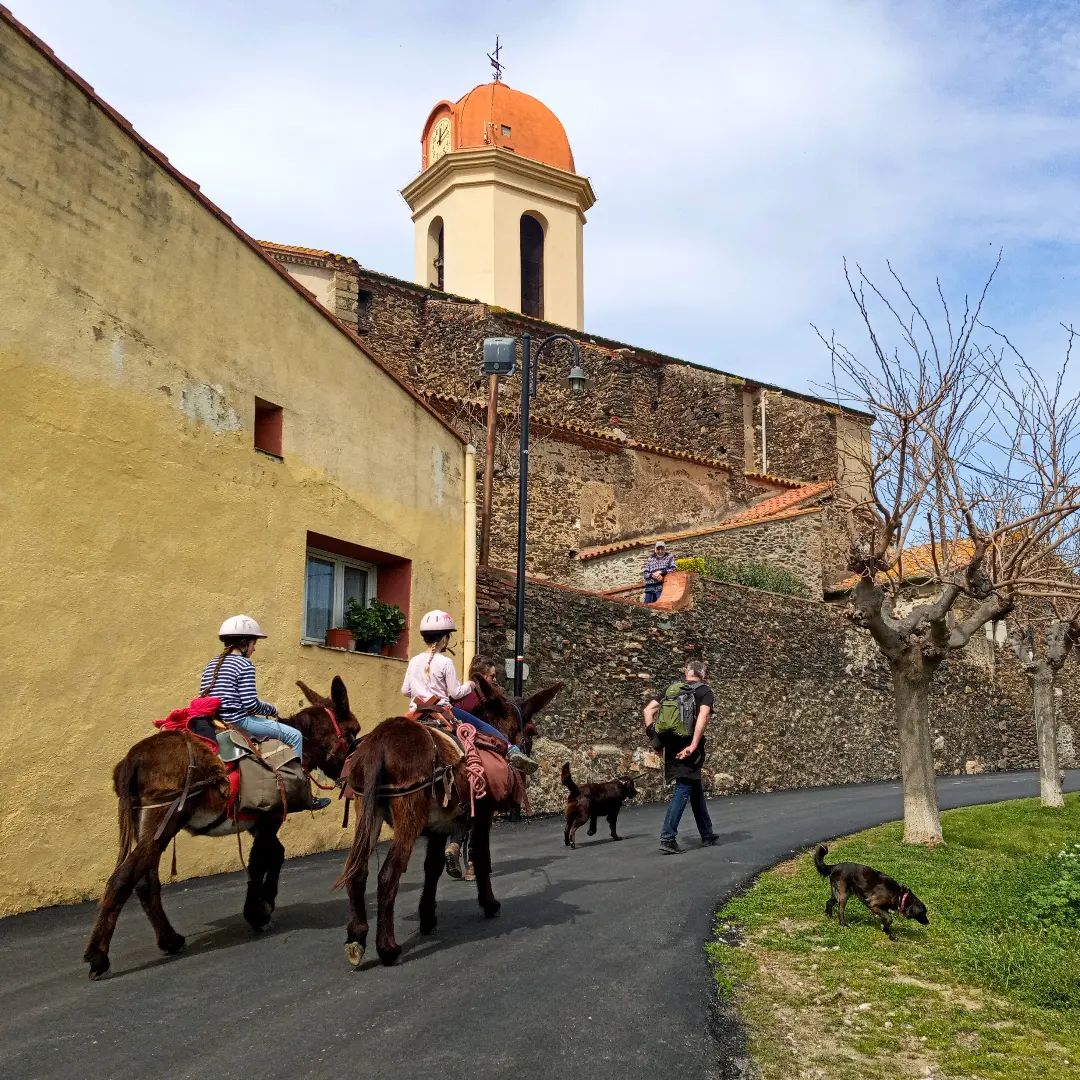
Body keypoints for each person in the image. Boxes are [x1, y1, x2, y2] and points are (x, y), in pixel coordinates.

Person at [200, 615, 332, 810]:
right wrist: (272, 709)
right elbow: (251, 704)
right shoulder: (244, 665)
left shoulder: (212, 664)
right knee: (294, 736)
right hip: (240, 721)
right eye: (254, 643)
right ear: (244, 643)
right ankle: (297, 791)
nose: (255, 648)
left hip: (216, 721)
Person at [401, 611, 538, 775]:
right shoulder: (445, 662)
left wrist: (421, 691)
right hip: (441, 711)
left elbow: (405, 690)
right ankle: (512, 750)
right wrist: (471, 684)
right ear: (445, 638)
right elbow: (456, 693)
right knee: (486, 728)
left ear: (425, 638)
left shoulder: (414, 661)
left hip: (416, 711)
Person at [643, 660, 719, 853]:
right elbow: (703, 716)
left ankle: (707, 834)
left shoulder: (671, 690)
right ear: (703, 674)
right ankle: (668, 838)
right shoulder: (704, 691)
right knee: (683, 787)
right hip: (689, 746)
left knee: (695, 787)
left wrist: (656, 742)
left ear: (687, 672)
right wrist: (693, 745)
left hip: (670, 744)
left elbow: (648, 711)